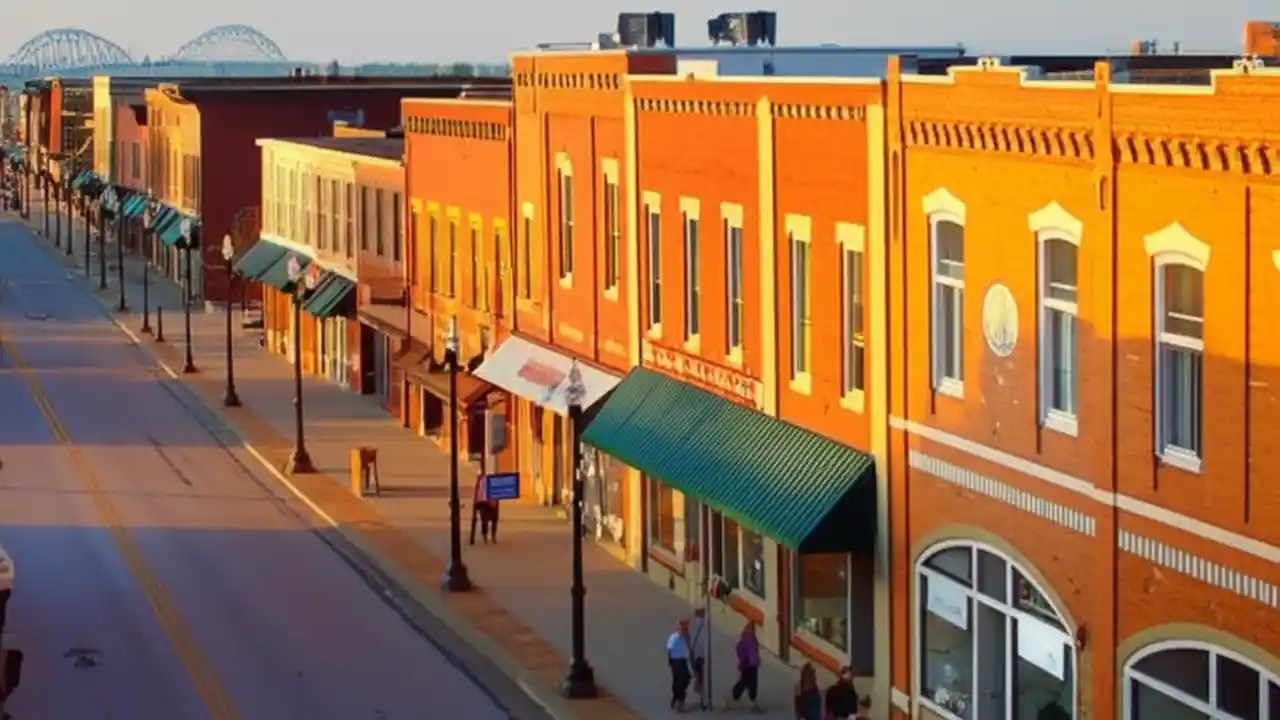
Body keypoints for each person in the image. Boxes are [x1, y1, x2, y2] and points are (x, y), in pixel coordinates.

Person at [730, 621, 761, 711]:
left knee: (751, 682)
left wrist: (757, 659)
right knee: (746, 681)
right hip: (748, 664)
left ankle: (750, 698)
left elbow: (754, 651)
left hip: (753, 664)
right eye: (750, 627)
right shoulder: (746, 639)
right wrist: (743, 660)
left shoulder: (751, 638)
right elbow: (740, 649)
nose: (752, 629)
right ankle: (737, 694)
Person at [666, 619, 693, 711]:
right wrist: (670, 661)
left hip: (682, 660)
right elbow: (669, 649)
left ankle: (677, 698)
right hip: (676, 661)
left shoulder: (684, 637)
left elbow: (689, 646)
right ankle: (679, 700)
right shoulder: (674, 637)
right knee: (679, 680)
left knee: (686, 679)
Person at [687, 608, 707, 709]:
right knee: (700, 676)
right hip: (699, 655)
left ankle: (699, 694)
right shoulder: (703, 624)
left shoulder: (692, 623)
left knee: (697, 675)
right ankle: (701, 698)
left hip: (693, 653)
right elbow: (702, 641)